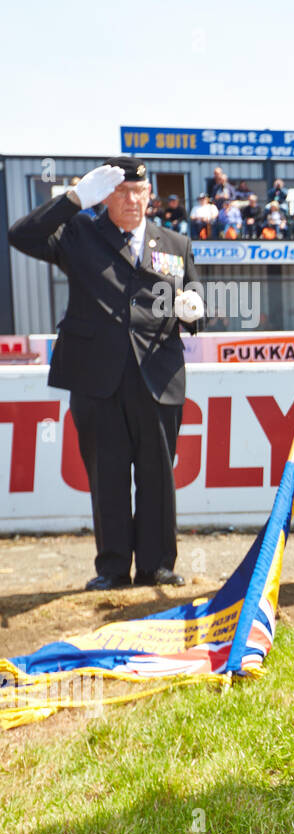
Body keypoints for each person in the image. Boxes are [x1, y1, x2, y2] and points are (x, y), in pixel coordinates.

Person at [8, 158, 204, 590]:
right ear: (105, 196)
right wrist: (74, 198)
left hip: (157, 374)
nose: (132, 200)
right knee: (108, 474)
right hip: (97, 377)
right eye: (120, 192)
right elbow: (21, 235)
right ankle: (112, 568)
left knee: (157, 475)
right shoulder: (78, 233)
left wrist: (194, 309)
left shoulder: (174, 243)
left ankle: (157, 566)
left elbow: (194, 299)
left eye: (138, 191)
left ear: (150, 194)